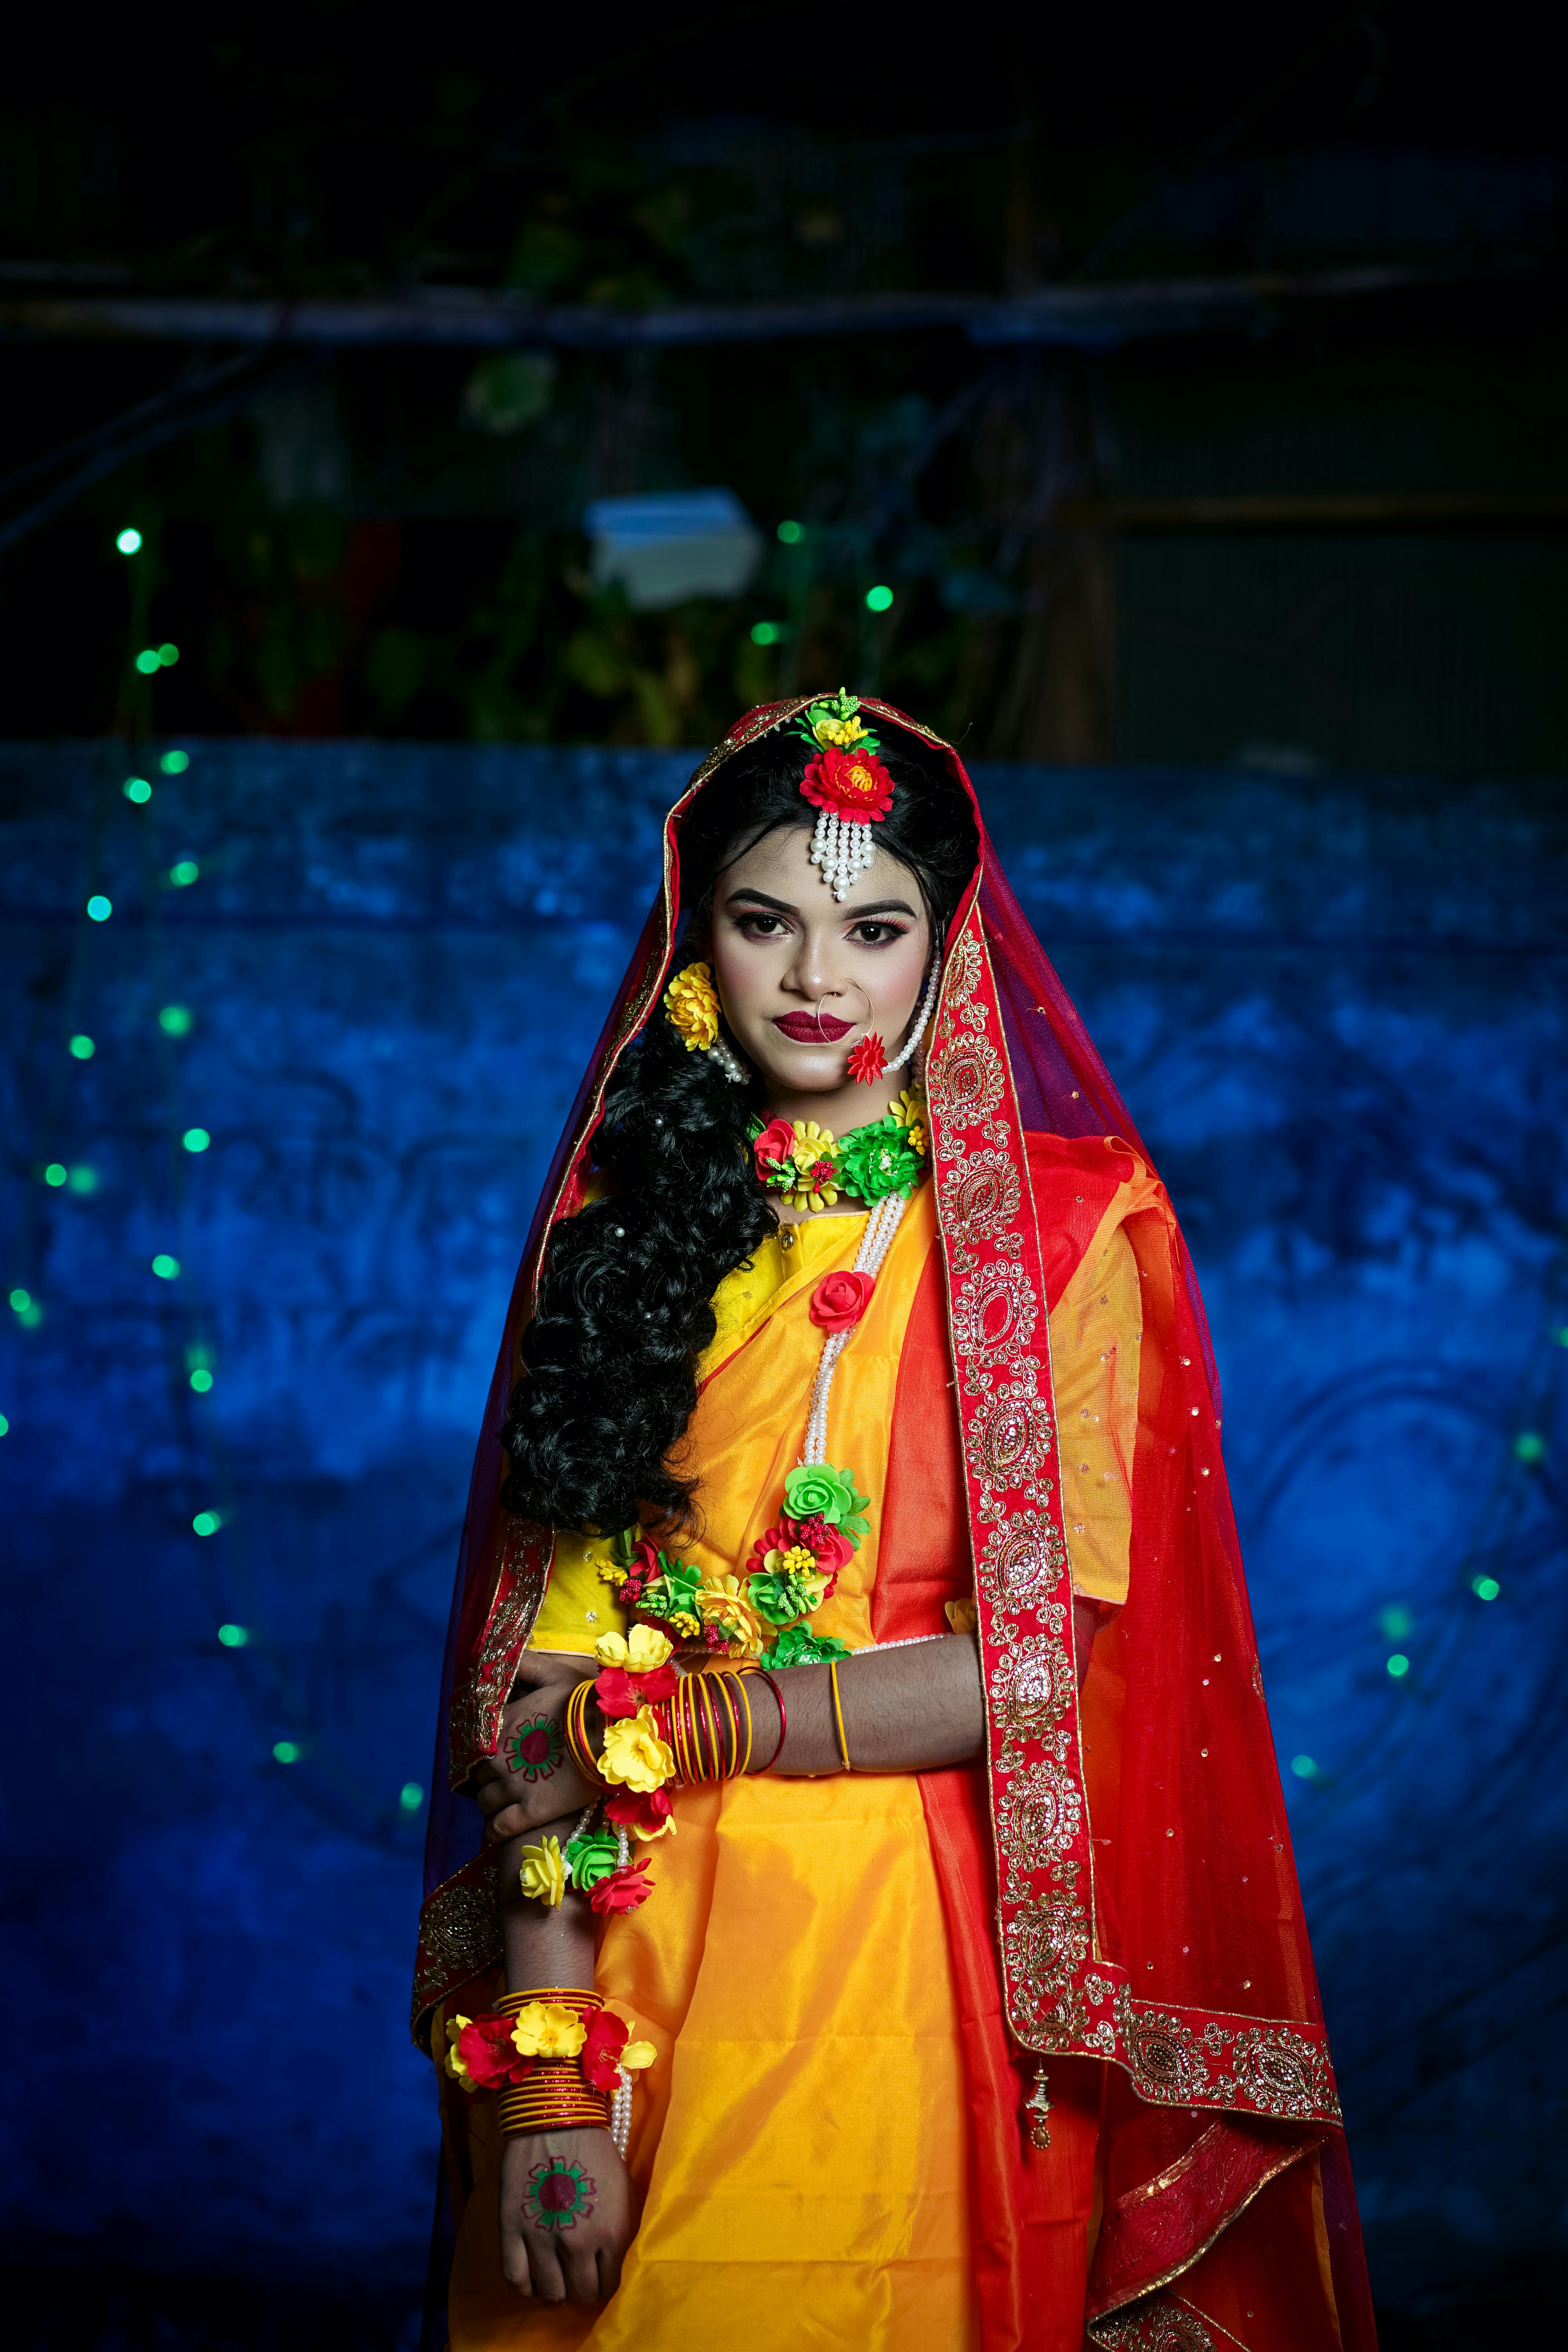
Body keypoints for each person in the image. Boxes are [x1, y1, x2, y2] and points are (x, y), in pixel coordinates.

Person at [412, 695, 1375, 2351]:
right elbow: (541, 1711)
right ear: (693, 942)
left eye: (873, 929)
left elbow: (1027, 1679)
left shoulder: (1065, 1245)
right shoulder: (630, 1237)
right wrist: (552, 2091)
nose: (814, 978)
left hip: (911, 1963)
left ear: (948, 951)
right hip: (631, 1953)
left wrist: (684, 1717)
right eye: (764, 918)